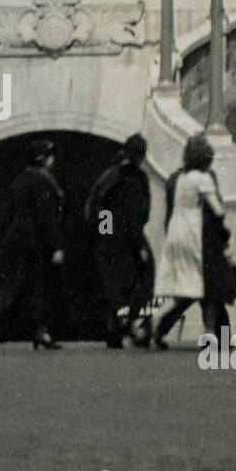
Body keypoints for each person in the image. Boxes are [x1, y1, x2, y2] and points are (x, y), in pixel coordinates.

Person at [151, 133, 234, 349]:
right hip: (194, 235)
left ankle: (156, 326)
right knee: (207, 288)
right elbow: (217, 210)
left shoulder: (178, 179)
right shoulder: (204, 178)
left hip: (176, 234)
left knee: (187, 290)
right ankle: (212, 336)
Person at [0, 138, 67, 350]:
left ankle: (7, 325)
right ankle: (38, 331)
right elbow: (46, 216)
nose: (53, 159)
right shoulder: (42, 181)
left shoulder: (22, 179)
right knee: (43, 286)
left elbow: (7, 211)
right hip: (38, 242)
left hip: (22, 239)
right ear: (42, 159)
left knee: (29, 286)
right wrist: (56, 246)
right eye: (50, 155)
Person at [84, 133, 154, 349]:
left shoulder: (109, 175)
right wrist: (138, 245)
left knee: (114, 285)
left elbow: (96, 205)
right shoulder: (137, 178)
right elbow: (136, 215)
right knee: (142, 280)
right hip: (127, 239)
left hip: (108, 239)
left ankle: (115, 329)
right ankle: (134, 325)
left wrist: (106, 231)